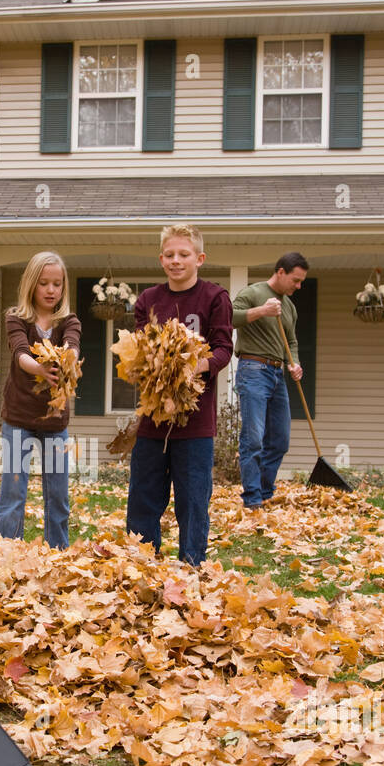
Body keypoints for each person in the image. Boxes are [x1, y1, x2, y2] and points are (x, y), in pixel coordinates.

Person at [126, 224, 233, 565]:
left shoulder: (215, 298)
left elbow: (223, 350)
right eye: (170, 255)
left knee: (193, 500)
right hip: (153, 419)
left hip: (196, 422)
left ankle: (192, 565)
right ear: (161, 259)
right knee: (143, 497)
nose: (176, 261)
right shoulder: (147, 301)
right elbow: (142, 350)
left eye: (184, 254)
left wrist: (191, 366)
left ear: (199, 258)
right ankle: (142, 564)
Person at [0, 251, 81, 549]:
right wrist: (41, 369)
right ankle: (6, 552)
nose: (50, 290)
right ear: (31, 284)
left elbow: (73, 346)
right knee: (13, 492)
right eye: (44, 283)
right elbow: (20, 354)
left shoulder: (69, 320)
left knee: (57, 495)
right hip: (18, 418)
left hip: (55, 422)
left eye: (57, 284)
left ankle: (58, 553)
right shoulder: (16, 318)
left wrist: (68, 358)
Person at [231, 252, 308, 511]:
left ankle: (264, 492)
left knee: (280, 441)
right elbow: (228, 318)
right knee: (253, 439)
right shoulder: (253, 293)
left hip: (277, 374)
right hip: (252, 369)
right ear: (281, 272)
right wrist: (262, 311)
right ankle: (252, 498)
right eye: (295, 280)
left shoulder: (289, 307)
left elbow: (292, 342)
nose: (298, 286)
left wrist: (294, 362)